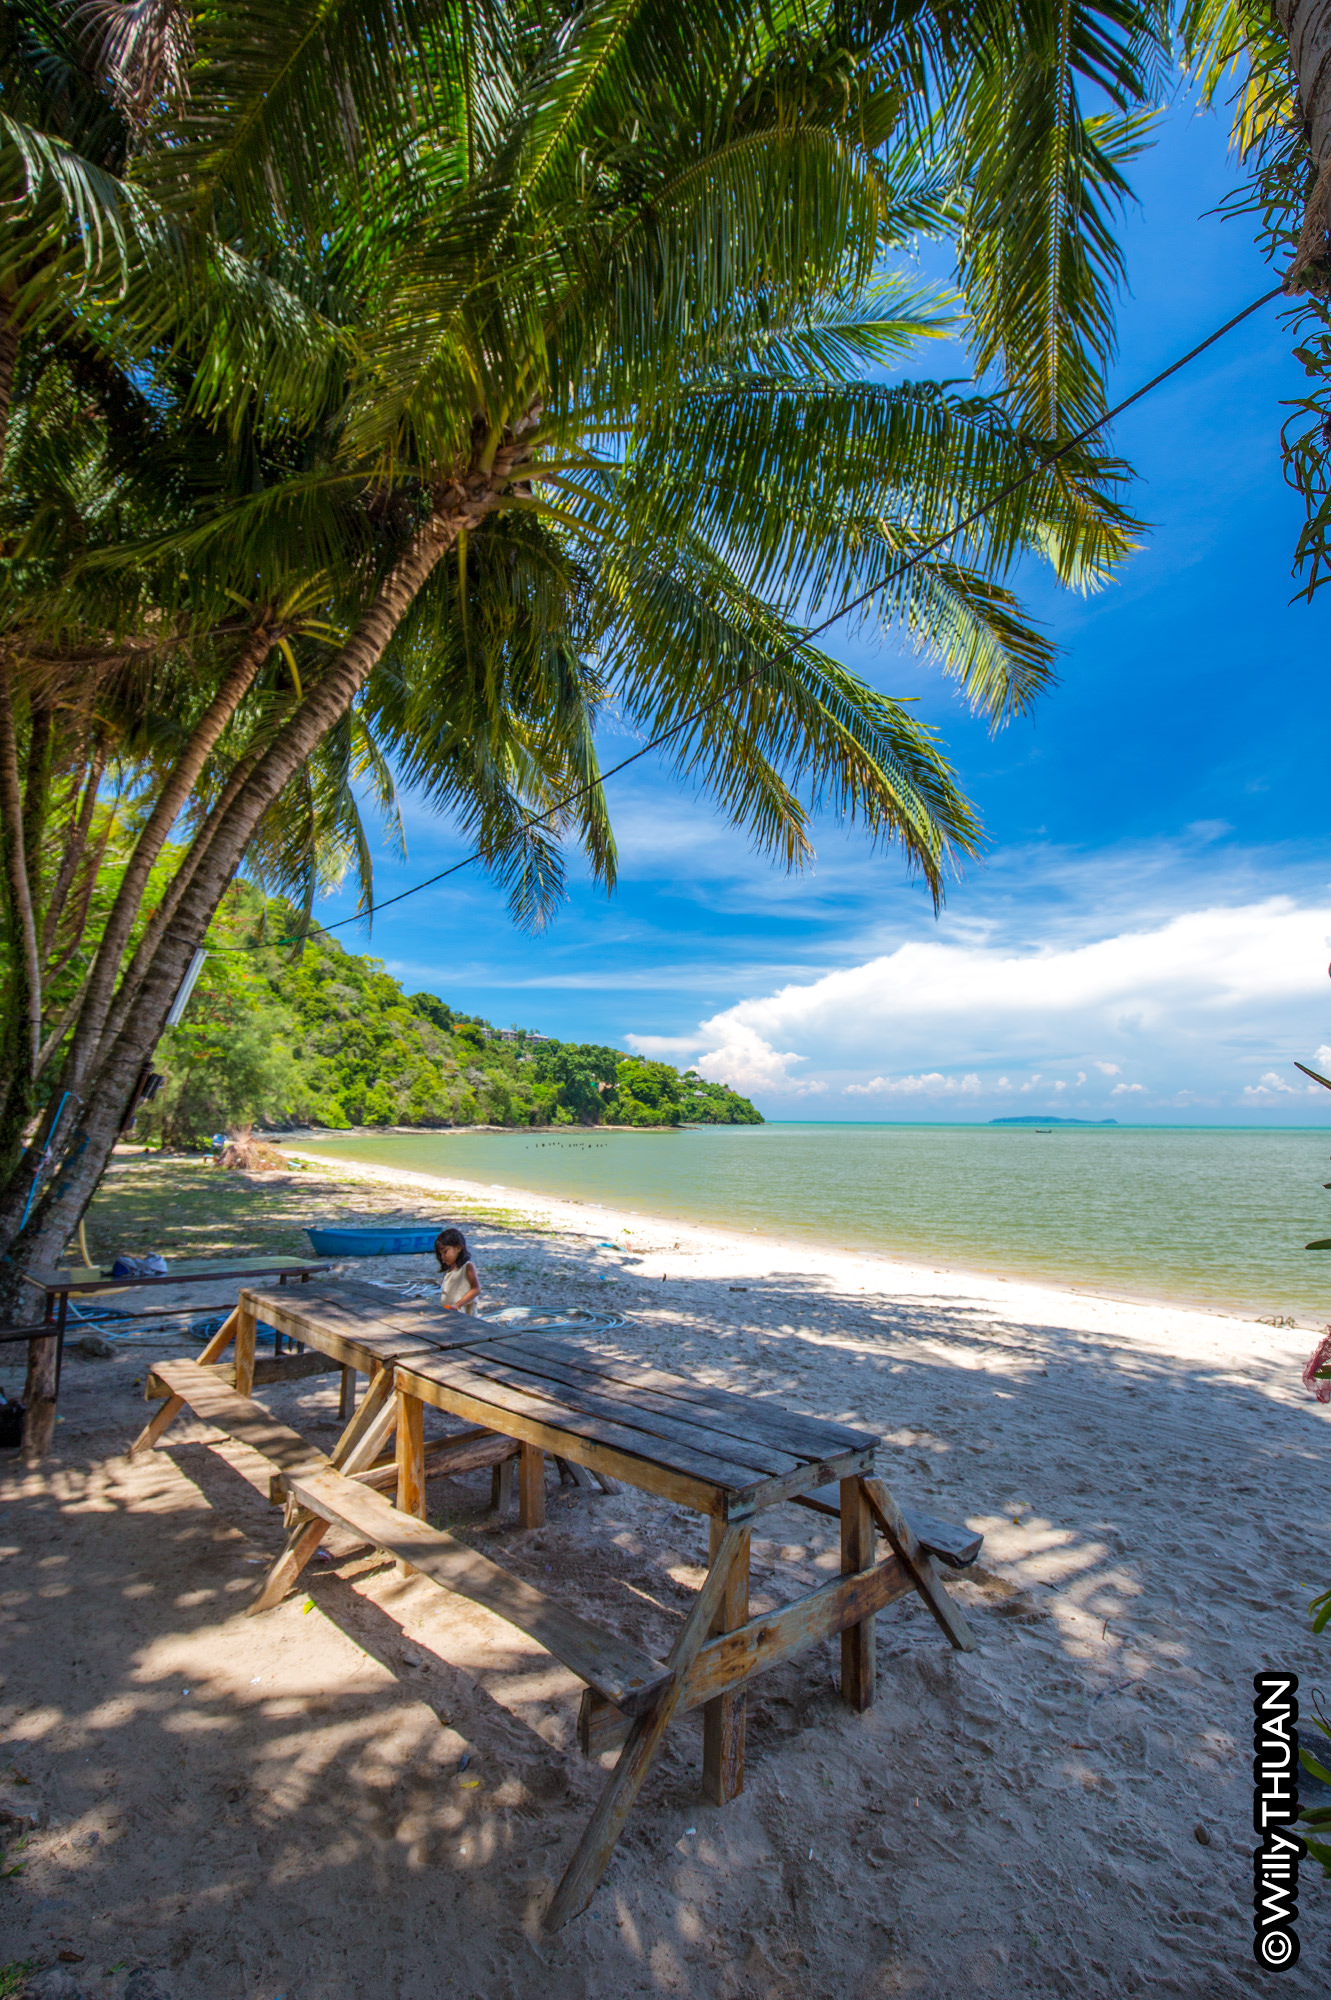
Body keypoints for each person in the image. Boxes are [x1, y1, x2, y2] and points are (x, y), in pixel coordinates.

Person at [434, 1227, 480, 1314]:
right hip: (449, 1314)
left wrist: (458, 1305)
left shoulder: (467, 1267)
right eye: (441, 1254)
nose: (443, 1257)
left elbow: (476, 1289)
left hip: (463, 1316)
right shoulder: (449, 1271)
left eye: (445, 1252)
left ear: (458, 1248)